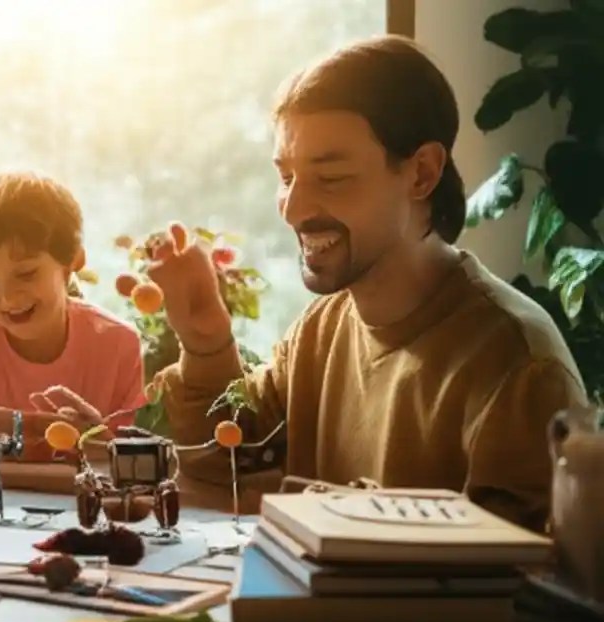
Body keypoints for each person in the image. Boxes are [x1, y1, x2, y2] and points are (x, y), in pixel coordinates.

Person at [143, 35, 587, 532]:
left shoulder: (519, 369)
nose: (293, 209)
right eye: (286, 178)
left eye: (331, 178)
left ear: (421, 174)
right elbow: (223, 463)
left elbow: (518, 573)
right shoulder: (319, 332)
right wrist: (205, 339)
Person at [0, 171, 146, 469]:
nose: (8, 298)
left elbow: (136, 466)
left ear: (72, 261)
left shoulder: (120, 346)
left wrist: (97, 441)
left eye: (26, 274)